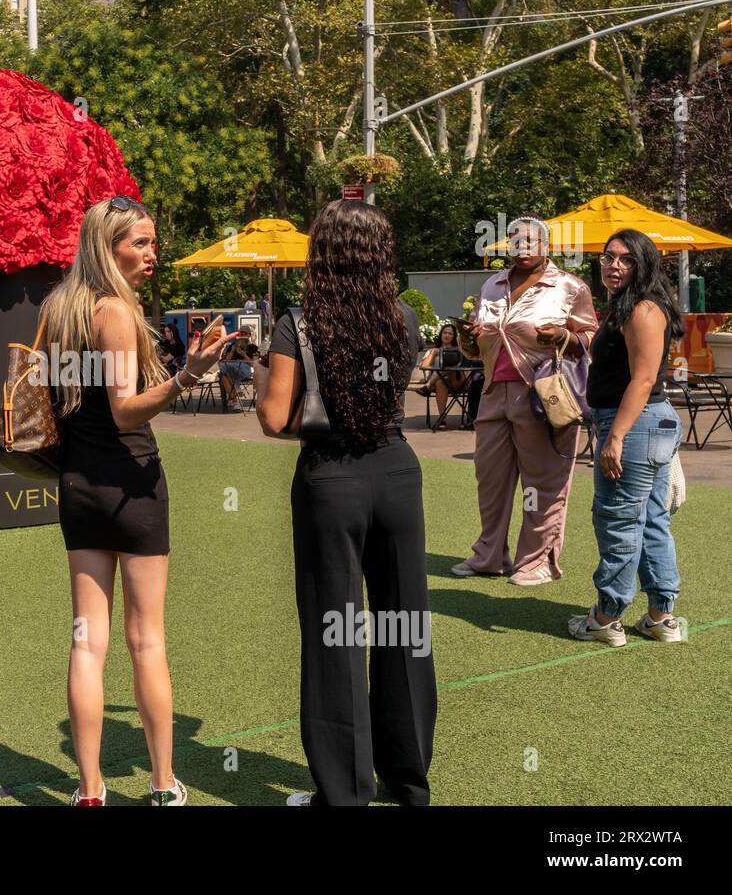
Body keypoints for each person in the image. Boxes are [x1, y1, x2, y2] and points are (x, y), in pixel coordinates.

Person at [41, 196, 233, 806]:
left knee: (85, 640)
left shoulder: (56, 308)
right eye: (141, 243)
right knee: (146, 639)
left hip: (77, 484)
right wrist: (186, 376)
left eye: (153, 242)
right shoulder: (114, 313)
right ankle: (162, 784)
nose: (153, 254)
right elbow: (125, 410)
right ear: (109, 246)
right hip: (132, 483)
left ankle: (90, 791)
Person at [255, 199, 435, 807]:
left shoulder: (297, 323)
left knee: (335, 633)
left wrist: (261, 378)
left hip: (330, 480)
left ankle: (343, 791)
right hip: (397, 474)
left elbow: (276, 419)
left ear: (322, 253)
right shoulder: (404, 320)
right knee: (405, 626)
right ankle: (409, 782)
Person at [453, 216, 597, 586]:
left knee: (540, 483)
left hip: (543, 395)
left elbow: (593, 336)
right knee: (491, 479)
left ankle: (536, 560)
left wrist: (564, 335)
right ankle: (489, 555)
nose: (523, 248)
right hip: (492, 394)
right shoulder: (492, 284)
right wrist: (469, 337)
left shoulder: (568, 286)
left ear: (547, 246)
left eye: (531, 241)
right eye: (516, 241)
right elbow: (477, 346)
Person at [569, 230, 687, 646]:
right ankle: (660, 616)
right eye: (608, 257)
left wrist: (615, 436)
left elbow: (642, 379)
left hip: (634, 424)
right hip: (645, 425)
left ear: (643, 264)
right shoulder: (629, 306)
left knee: (618, 519)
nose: (613, 265)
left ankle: (606, 617)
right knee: (651, 519)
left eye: (625, 259)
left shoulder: (642, 308)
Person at [415, 323, 478, 429]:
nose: (447, 335)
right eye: (445, 333)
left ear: (454, 337)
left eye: (450, 333)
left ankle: (428, 385)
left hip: (458, 381)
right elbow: (424, 366)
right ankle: (442, 418)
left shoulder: (460, 350)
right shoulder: (433, 350)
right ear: (441, 334)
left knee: (450, 364)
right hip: (441, 384)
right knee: (441, 381)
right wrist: (433, 354)